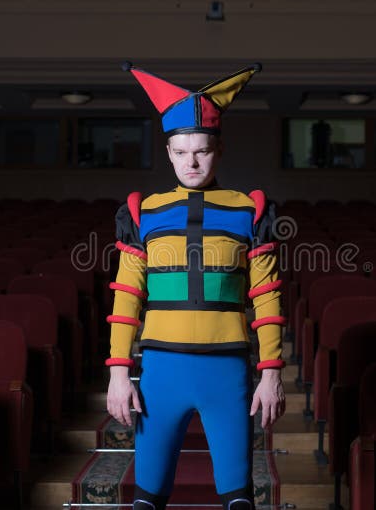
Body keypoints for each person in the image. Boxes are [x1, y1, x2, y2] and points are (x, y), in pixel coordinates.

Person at [105, 62, 287, 510]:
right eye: (181, 151)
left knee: (239, 499)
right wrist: (117, 374)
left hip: (227, 370)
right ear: (168, 152)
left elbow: (266, 297)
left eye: (201, 151)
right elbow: (127, 297)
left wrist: (272, 373)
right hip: (160, 370)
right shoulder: (142, 211)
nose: (191, 161)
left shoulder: (251, 210)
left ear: (219, 149)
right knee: (147, 500)